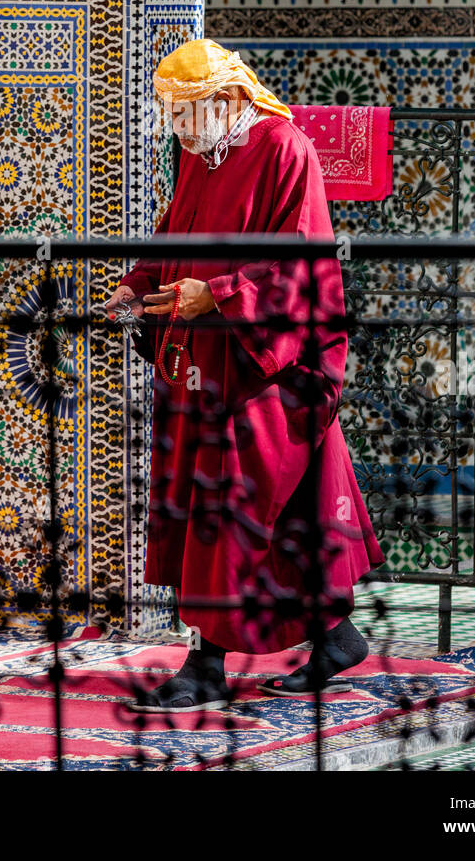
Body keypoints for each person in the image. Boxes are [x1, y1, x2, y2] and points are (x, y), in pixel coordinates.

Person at [106, 39, 383, 711]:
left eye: (187, 113)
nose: (178, 129)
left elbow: (304, 269)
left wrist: (223, 296)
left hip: (264, 370)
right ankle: (336, 637)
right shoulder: (199, 158)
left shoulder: (286, 149)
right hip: (205, 361)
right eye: (170, 115)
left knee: (230, 509)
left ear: (229, 100)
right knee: (272, 516)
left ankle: (205, 664)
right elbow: (174, 237)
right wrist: (134, 285)